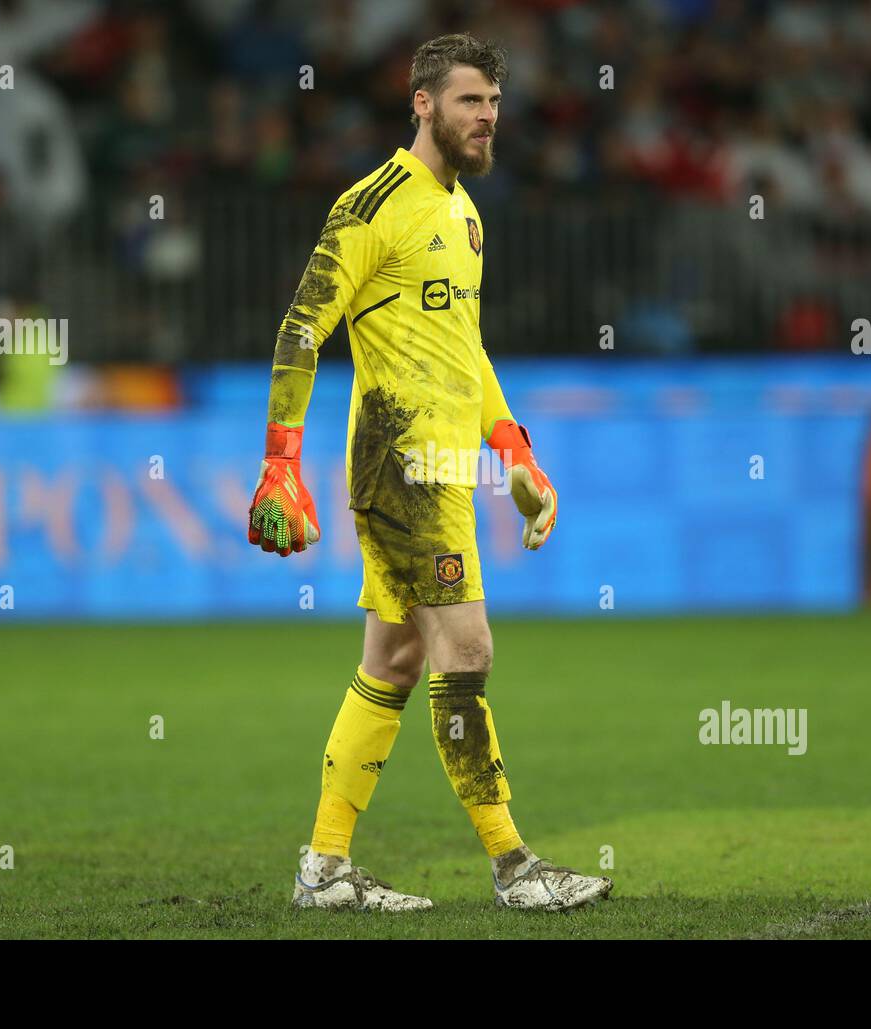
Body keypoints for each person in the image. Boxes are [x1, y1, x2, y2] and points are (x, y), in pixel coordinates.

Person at [247, 33, 612, 913]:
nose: (487, 118)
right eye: (469, 101)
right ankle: (516, 866)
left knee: (397, 657)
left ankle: (324, 867)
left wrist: (515, 450)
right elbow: (301, 327)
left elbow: (467, 351)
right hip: (398, 464)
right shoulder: (371, 205)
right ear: (423, 103)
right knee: (468, 648)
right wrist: (280, 462)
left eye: (494, 103)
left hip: (448, 466)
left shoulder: (467, 215)